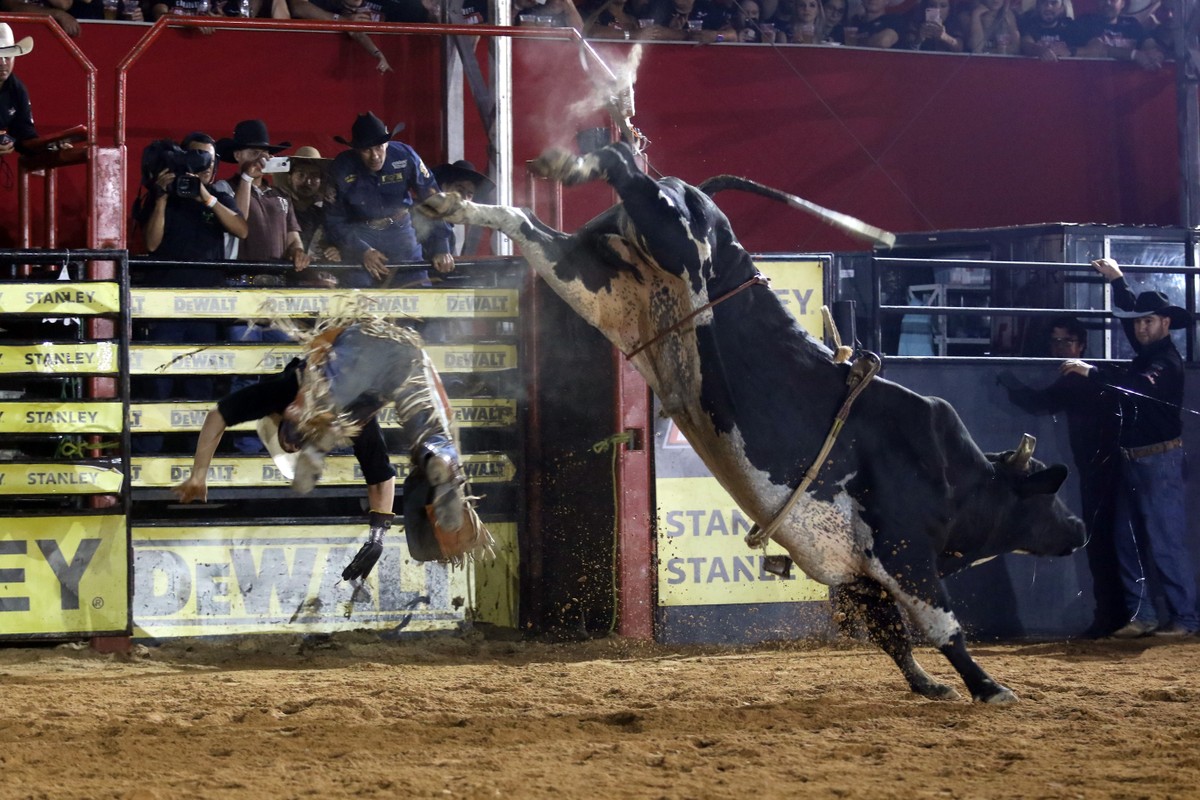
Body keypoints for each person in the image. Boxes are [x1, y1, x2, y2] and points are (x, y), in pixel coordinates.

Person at [169, 316, 491, 578]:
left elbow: (218, 415)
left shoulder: (285, 388)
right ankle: (439, 460)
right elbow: (380, 476)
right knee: (429, 434)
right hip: (404, 359)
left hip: (355, 353)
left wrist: (199, 474)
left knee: (319, 410)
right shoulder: (359, 421)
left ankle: (316, 442)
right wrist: (377, 536)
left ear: (275, 416)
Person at [1060, 258, 1197, 638]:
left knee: (1162, 541)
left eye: (1148, 321)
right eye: (1139, 321)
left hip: (1158, 460)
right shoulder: (1156, 355)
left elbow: (1136, 387)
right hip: (1142, 460)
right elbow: (1129, 320)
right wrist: (1119, 282)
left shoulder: (1165, 362)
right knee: (1132, 539)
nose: (1140, 327)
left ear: (1165, 323)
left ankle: (1183, 618)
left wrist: (1091, 371)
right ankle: (1151, 615)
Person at [999, 316, 1124, 636]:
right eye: (1055, 342)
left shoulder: (1078, 377)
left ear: (1080, 346)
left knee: (1104, 540)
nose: (1059, 348)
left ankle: (1113, 614)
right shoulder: (1086, 375)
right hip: (1105, 466)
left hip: (1101, 468)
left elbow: (1041, 403)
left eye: (1066, 342)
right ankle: (1120, 613)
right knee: (1113, 539)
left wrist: (1008, 379)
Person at [326, 112, 455, 289]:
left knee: (416, 286)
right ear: (356, 150)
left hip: (401, 232)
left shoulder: (405, 155)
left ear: (387, 143)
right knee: (356, 291)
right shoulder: (342, 167)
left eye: (379, 147)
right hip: (361, 234)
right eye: (366, 150)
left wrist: (442, 246)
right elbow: (334, 220)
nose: (375, 156)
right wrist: (361, 250)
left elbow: (433, 198)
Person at [430, 159, 493, 257]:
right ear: (445, 188)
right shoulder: (430, 223)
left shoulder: (448, 230)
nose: (465, 199)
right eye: (460, 191)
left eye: (469, 194)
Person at [1073, 0, 1162, 69]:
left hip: (1129, 81)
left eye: (1113, 0)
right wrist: (1135, 55)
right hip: (1095, 80)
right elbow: (1098, 49)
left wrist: (1154, 55)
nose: (1107, 3)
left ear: (1122, 3)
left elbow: (1150, 45)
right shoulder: (1085, 22)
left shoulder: (1133, 24)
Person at [0, 24, 37, 159]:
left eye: (7, 56)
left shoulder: (17, 90)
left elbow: (25, 135)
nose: (3, 62)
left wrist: (50, 148)